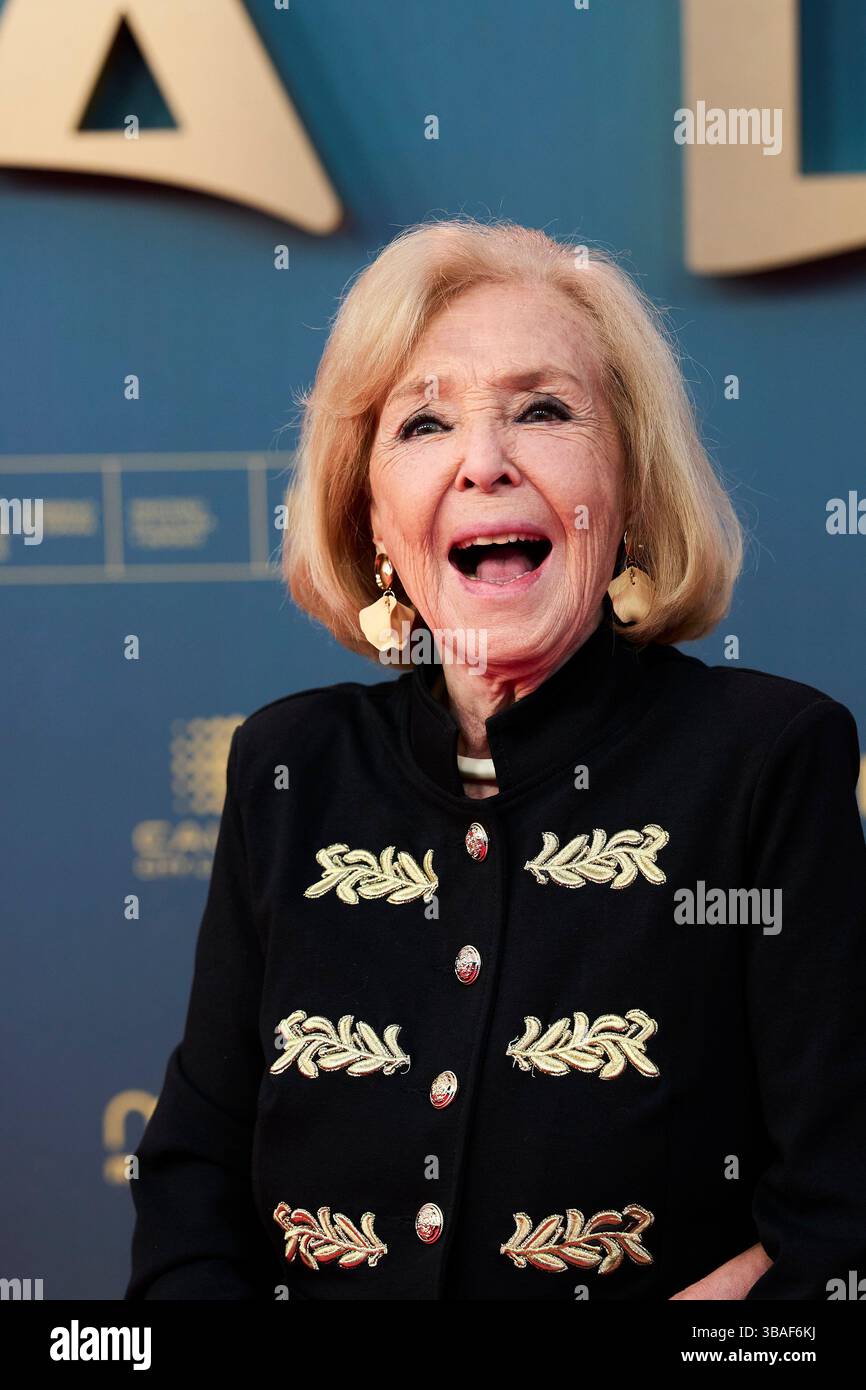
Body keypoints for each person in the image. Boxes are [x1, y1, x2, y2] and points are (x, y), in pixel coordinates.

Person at [126, 218, 866, 1300]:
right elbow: (193, 1176)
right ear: (372, 515)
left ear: (627, 491)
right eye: (424, 422)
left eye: (542, 411)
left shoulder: (763, 761)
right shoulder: (289, 766)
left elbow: (840, 1228)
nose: (482, 463)